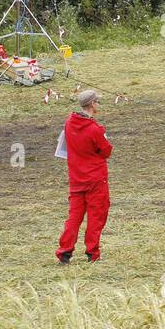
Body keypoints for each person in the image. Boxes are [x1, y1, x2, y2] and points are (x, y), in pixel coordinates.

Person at [57, 90, 113, 264]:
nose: (98, 105)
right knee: (96, 216)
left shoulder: (69, 123)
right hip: (95, 178)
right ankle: (92, 252)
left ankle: (65, 251)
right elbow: (106, 151)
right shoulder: (95, 129)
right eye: (97, 102)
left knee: (74, 216)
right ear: (92, 104)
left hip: (76, 177)